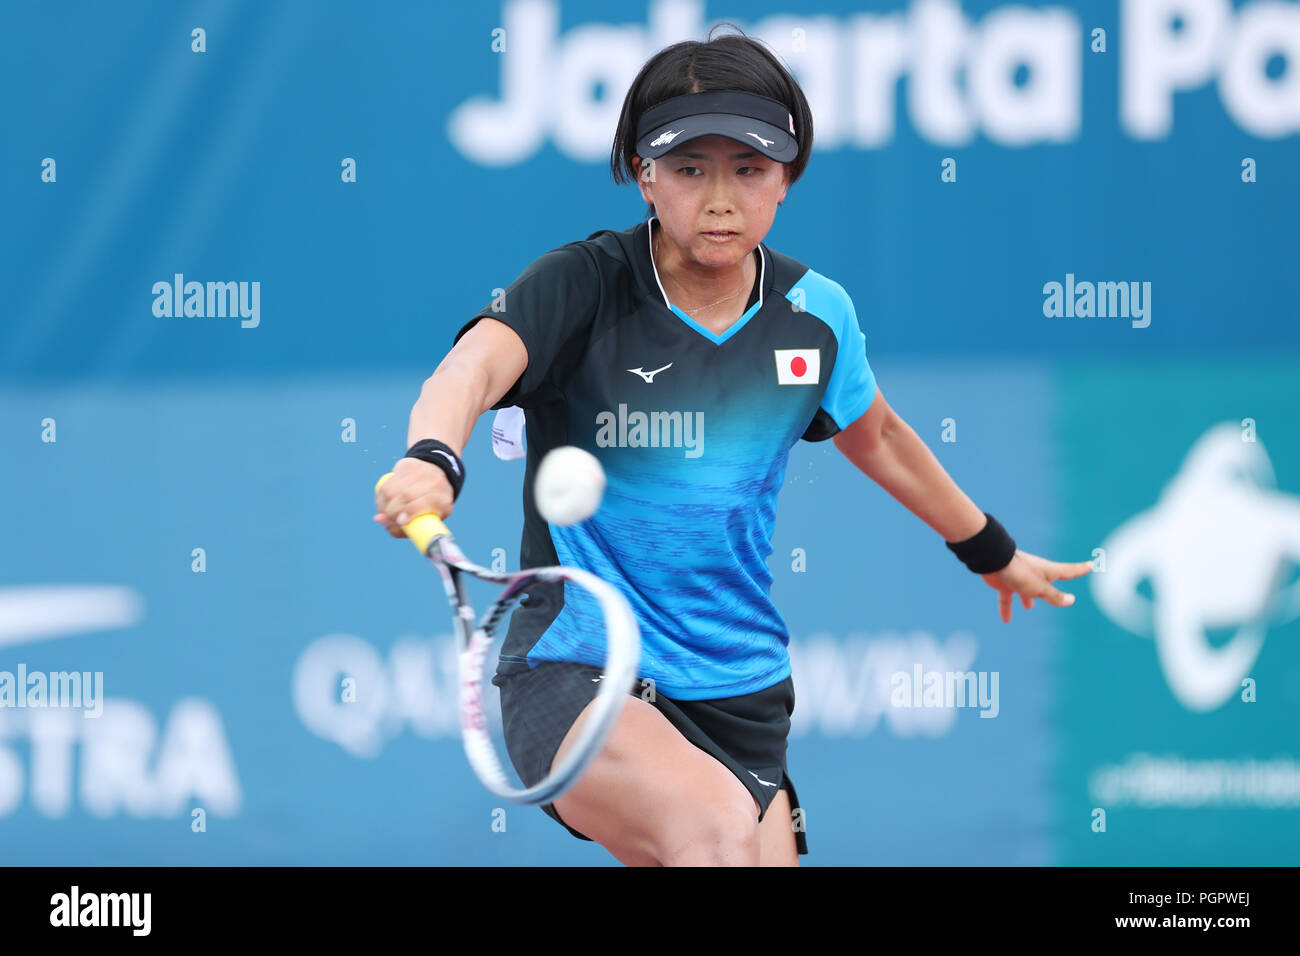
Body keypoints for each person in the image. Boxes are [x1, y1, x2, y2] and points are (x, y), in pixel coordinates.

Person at [374, 27, 1092, 867]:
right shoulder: (580, 285)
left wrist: (991, 551)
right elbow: (470, 369)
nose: (720, 199)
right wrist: (432, 457)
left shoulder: (817, 316)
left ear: (785, 179)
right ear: (644, 175)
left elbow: (884, 440)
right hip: (576, 667)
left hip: (740, 688)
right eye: (689, 169)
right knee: (711, 836)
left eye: (749, 169)